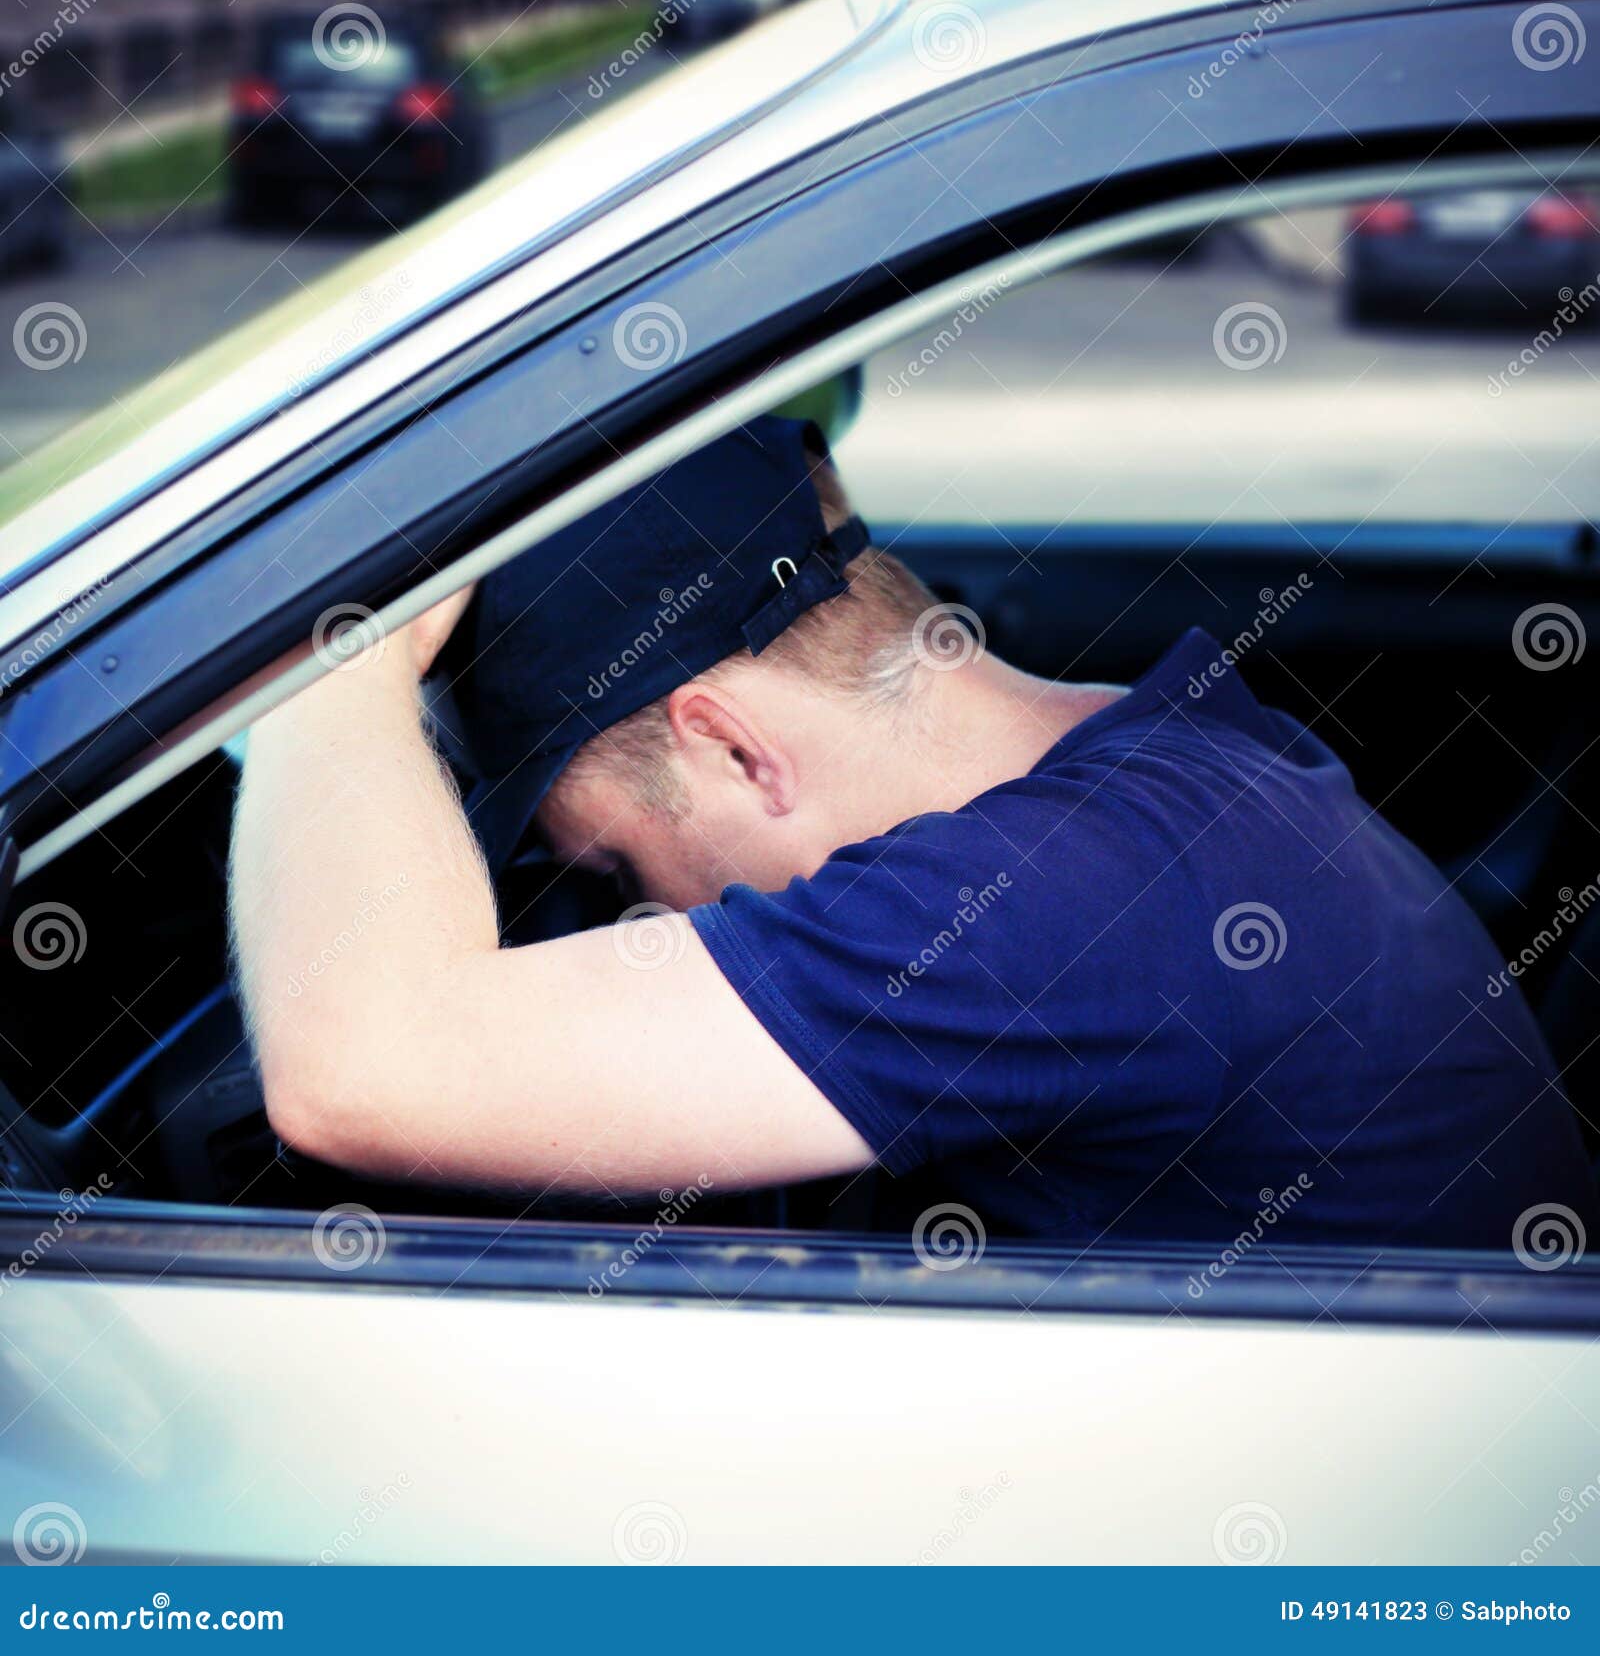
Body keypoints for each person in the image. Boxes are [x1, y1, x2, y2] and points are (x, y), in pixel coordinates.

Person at [229, 415, 1597, 1247]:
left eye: (624, 870)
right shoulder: (1161, 768)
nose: (652, 925)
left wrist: (333, 663)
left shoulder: (1063, 898)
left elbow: (357, 1069)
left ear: (734, 746)